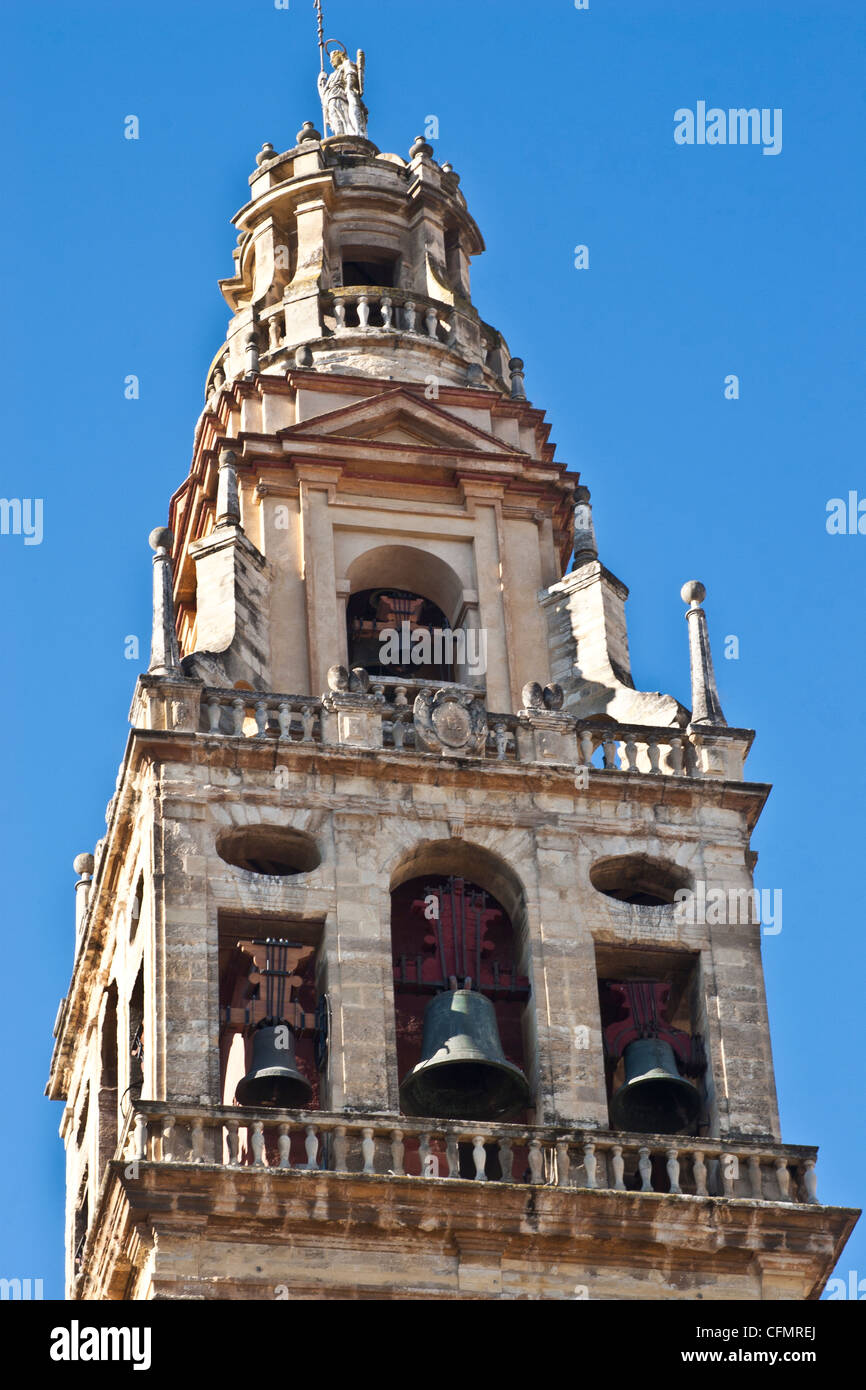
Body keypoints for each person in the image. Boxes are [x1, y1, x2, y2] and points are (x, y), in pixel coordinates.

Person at [318, 47, 368, 138]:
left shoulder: (346, 63)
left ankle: (349, 134)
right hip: (331, 97)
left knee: (344, 116)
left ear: (340, 56)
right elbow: (324, 92)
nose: (331, 61)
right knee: (334, 117)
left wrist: (349, 86)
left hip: (340, 94)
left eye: (333, 58)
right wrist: (321, 81)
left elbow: (350, 74)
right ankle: (339, 135)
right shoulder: (332, 74)